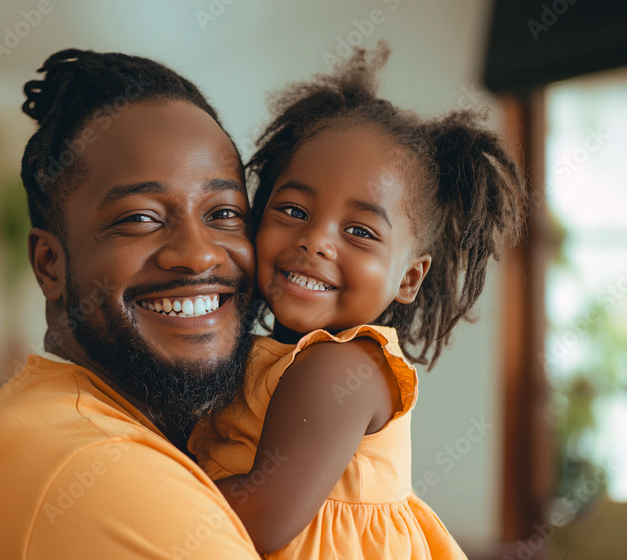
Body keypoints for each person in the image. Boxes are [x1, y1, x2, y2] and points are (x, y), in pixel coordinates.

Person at [0, 49, 263, 559]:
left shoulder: (40, 416)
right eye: (140, 218)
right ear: (50, 265)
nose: (198, 254)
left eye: (225, 212)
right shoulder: (107, 473)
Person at [187, 45, 528, 559]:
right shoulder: (269, 354)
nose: (317, 240)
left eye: (360, 230)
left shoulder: (341, 366)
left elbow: (261, 516)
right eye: (294, 209)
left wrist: (131, 487)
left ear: (409, 278)